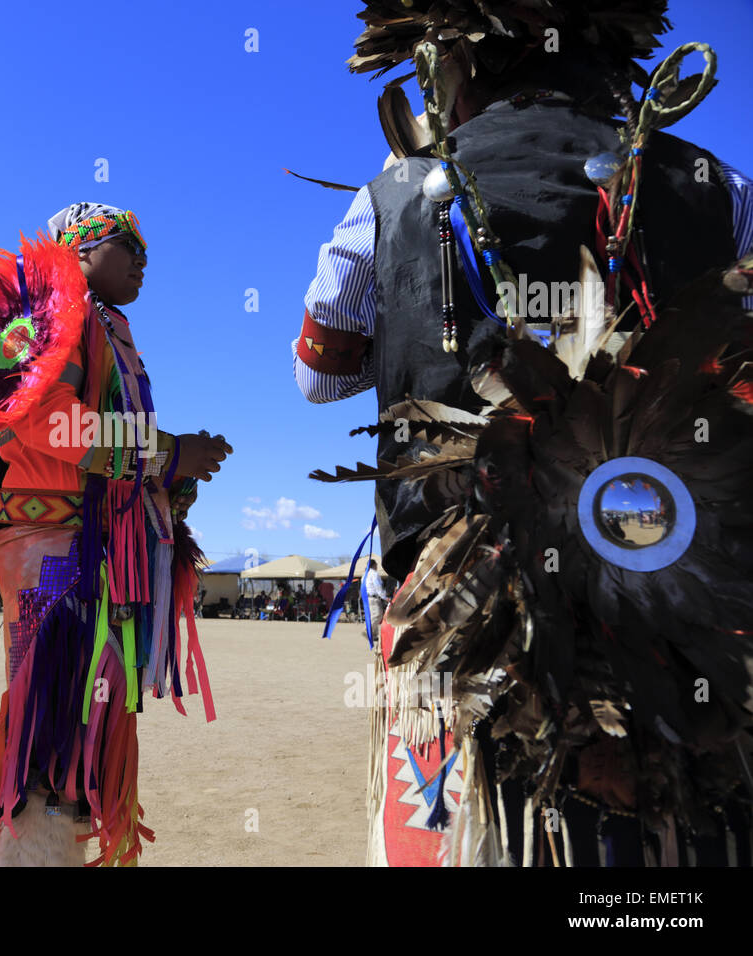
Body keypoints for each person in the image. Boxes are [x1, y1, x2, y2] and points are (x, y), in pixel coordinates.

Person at [296, 1, 753, 867]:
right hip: (687, 599)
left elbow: (321, 375)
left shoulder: (393, 195)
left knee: (483, 835)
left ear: (455, 68)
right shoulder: (718, 187)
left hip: (467, 600)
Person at [0, 202, 231, 866]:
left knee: (85, 728)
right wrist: (164, 453)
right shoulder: (57, 313)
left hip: (94, 549)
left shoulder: (106, 327)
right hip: (55, 554)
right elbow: (51, 427)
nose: (142, 260)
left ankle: (56, 848)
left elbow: (96, 447)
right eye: (128, 244)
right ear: (79, 250)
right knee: (56, 727)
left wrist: (176, 476)